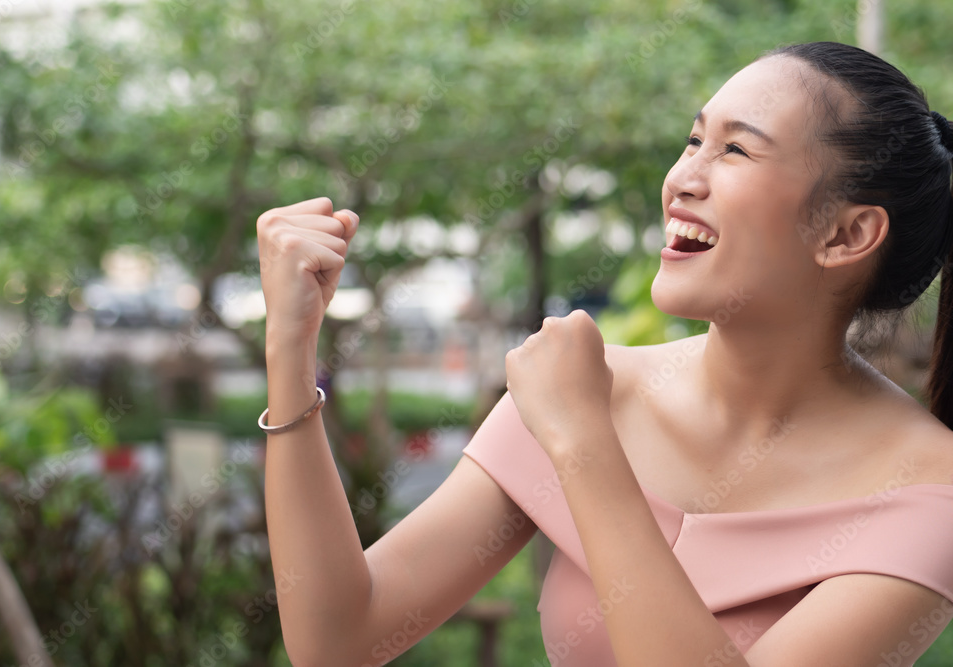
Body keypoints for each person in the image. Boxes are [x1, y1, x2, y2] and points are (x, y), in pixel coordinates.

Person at [256, 41, 953, 666]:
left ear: (846, 234)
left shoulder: (930, 488)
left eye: (736, 151)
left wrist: (585, 445)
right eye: (694, 140)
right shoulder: (590, 388)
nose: (683, 178)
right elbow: (339, 640)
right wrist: (290, 344)